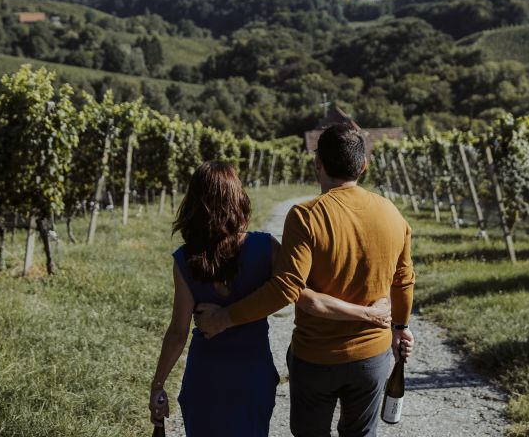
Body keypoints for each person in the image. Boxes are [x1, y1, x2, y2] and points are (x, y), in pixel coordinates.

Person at [195, 123, 415, 437]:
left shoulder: (306, 215)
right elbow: (404, 281)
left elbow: (286, 287)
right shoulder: (393, 214)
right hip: (372, 356)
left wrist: (224, 318)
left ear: (318, 164)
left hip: (316, 358)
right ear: (364, 165)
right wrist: (401, 329)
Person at [149, 160, 391, 436]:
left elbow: (178, 333)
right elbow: (303, 295)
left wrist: (158, 384)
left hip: (205, 375)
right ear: (237, 198)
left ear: (193, 202)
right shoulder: (265, 248)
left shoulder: (184, 260)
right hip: (252, 375)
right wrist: (367, 312)